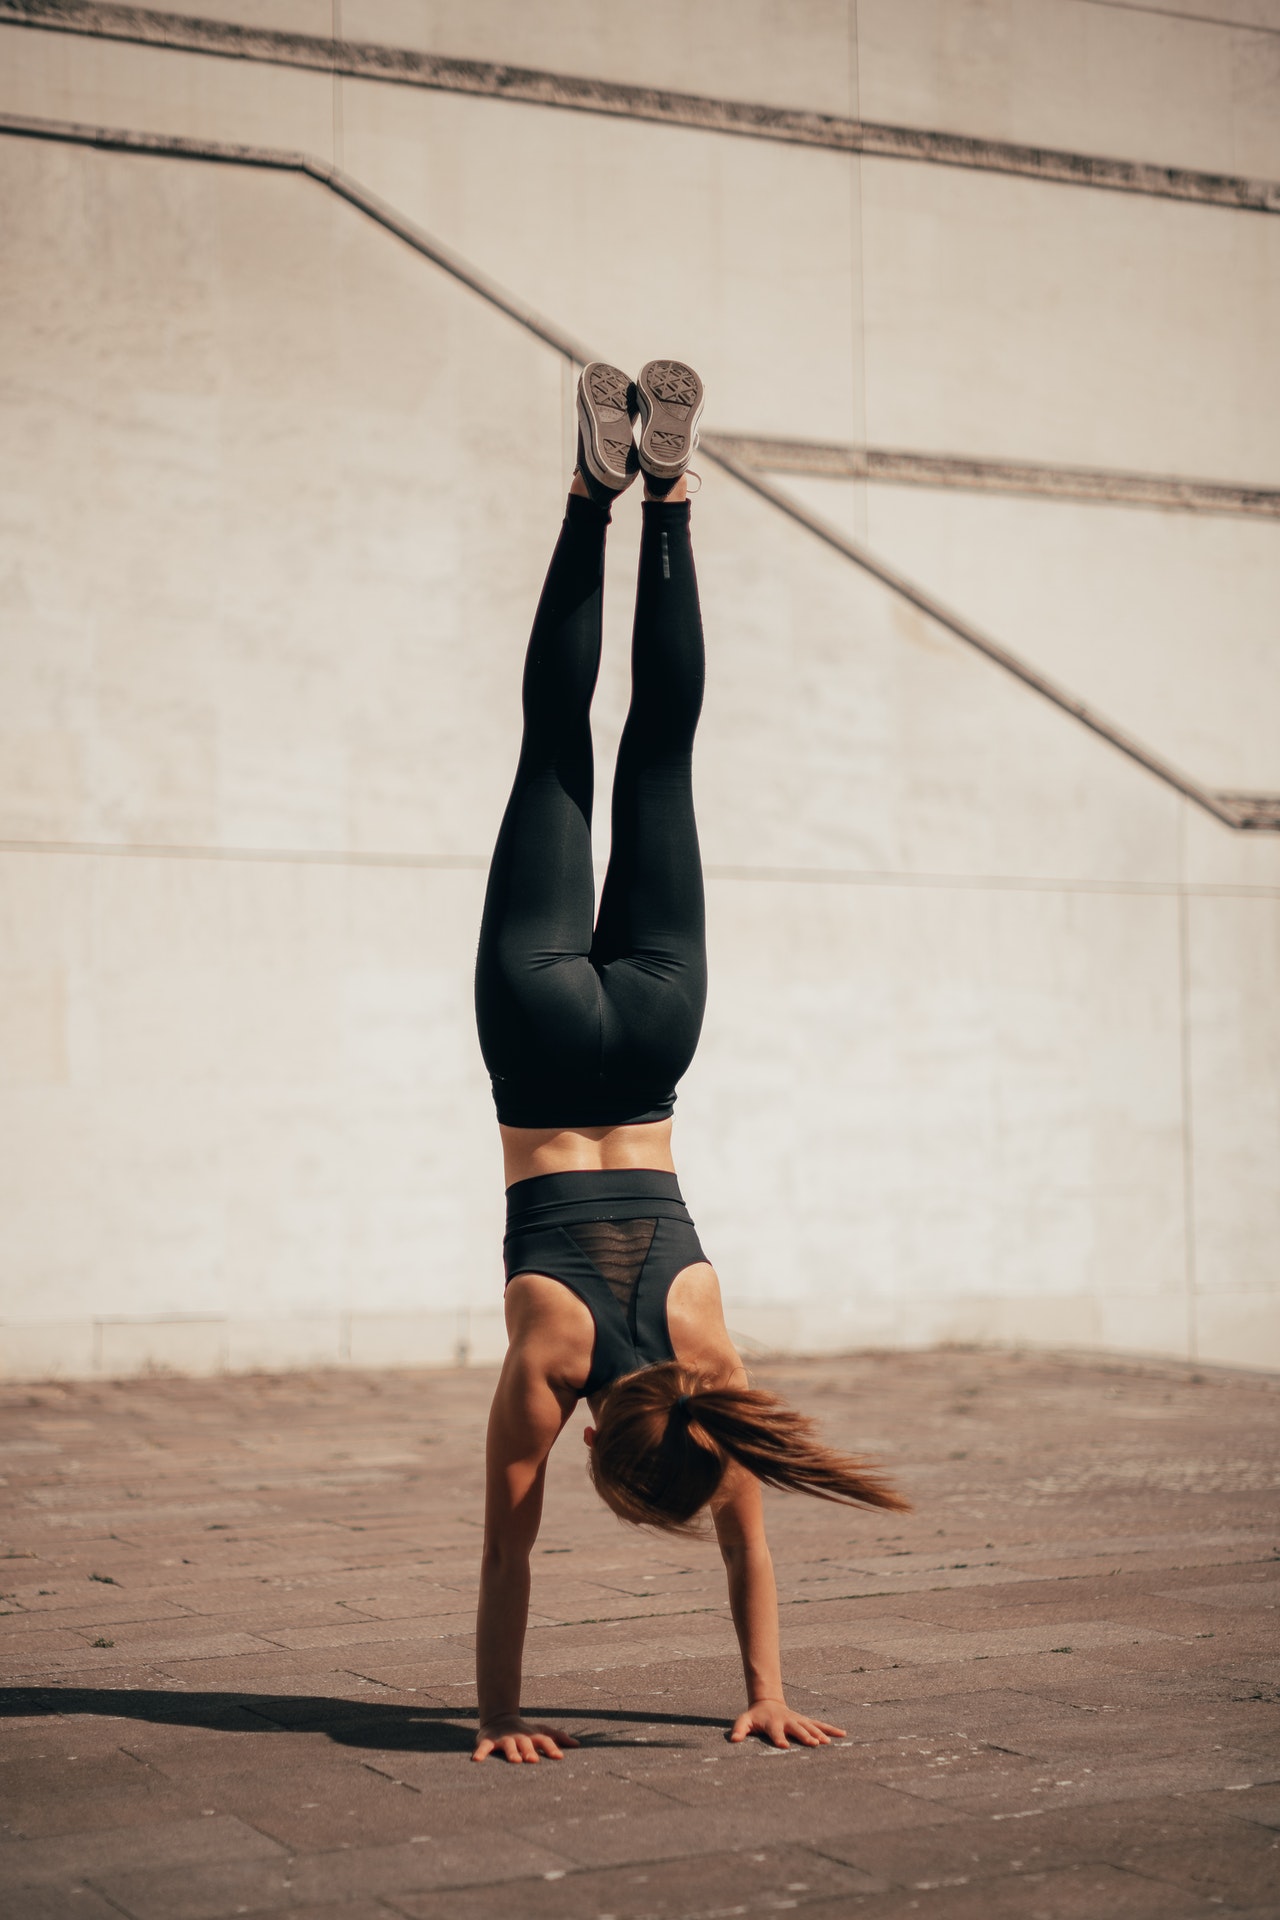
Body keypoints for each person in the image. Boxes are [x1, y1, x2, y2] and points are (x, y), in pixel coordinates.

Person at [471, 360, 906, 1765]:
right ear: (606, 1445)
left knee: (663, 758)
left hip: (655, 1037)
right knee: (557, 752)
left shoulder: (718, 1381)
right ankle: (591, 498)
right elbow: (507, 1558)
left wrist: (770, 1683)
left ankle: (665, 497)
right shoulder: (556, 1363)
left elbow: (749, 1552)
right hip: (540, 1043)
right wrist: (496, 1716)